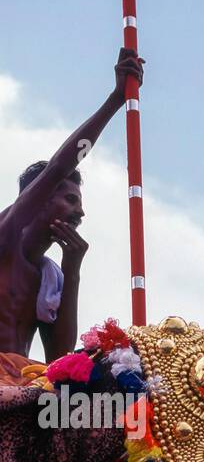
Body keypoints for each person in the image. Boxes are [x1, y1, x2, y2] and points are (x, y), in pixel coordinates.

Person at [0, 48, 143, 383]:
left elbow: (59, 358)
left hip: (25, 381)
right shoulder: (5, 237)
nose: (80, 211)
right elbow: (60, 165)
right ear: (38, 197)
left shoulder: (50, 277)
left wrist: (72, 269)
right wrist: (115, 100)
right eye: (69, 199)